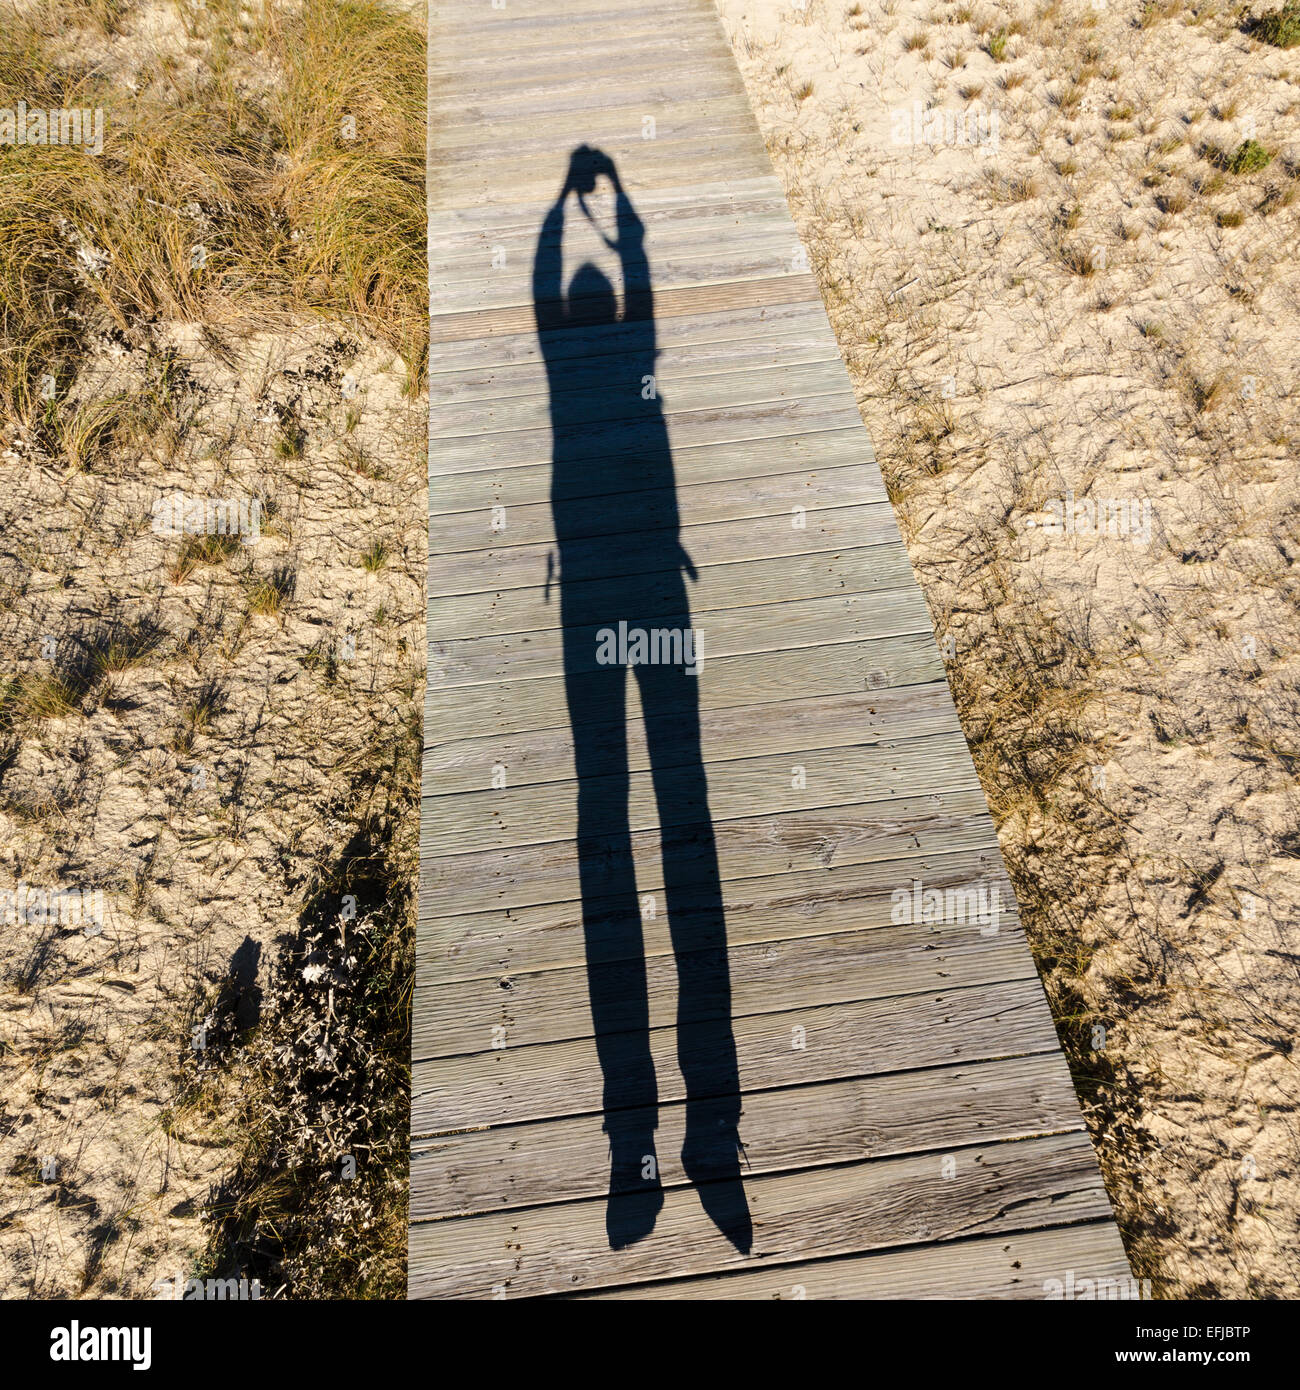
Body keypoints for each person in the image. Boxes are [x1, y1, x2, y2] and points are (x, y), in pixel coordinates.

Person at [533, 147, 752, 1253]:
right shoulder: (617, 358)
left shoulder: (574, 366)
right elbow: (639, 292)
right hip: (649, 578)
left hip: (605, 581)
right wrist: (605, 213)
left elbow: (552, 288)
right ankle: (695, 1138)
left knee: (612, 819)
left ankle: (652, 1143)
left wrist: (566, 211)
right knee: (674, 816)